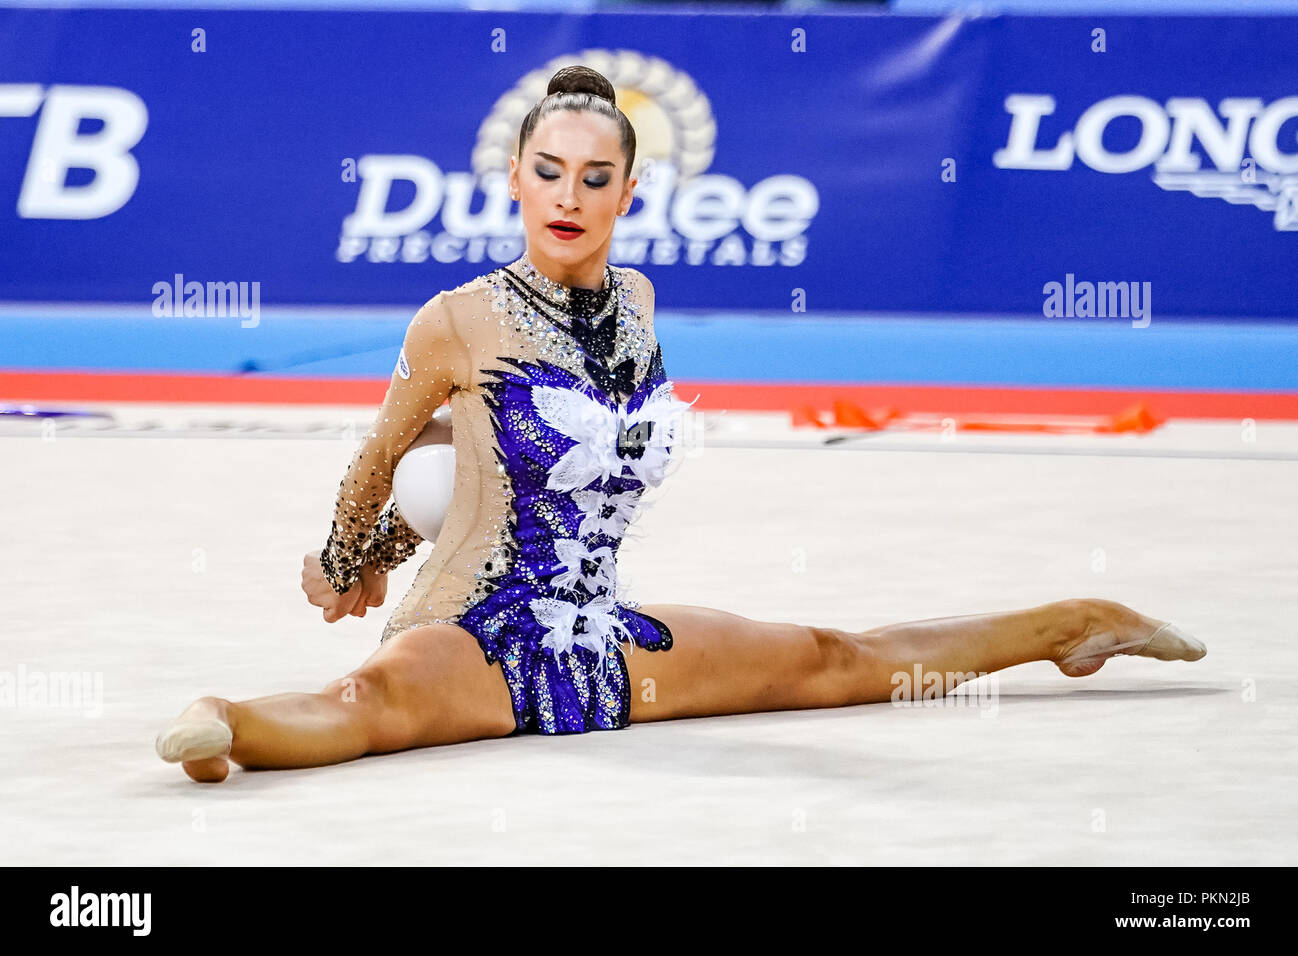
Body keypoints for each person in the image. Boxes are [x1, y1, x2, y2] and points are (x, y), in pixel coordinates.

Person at [155, 65, 1206, 783]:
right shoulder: (456, 320)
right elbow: (391, 456)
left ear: (628, 190)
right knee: (366, 705)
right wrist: (352, 556)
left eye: (594, 177)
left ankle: (1067, 624)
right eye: (549, 172)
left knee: (833, 657)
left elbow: (524, 468)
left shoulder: (642, 305)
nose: (568, 195)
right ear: (516, 179)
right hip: (468, 634)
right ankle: (225, 721)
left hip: (607, 637)